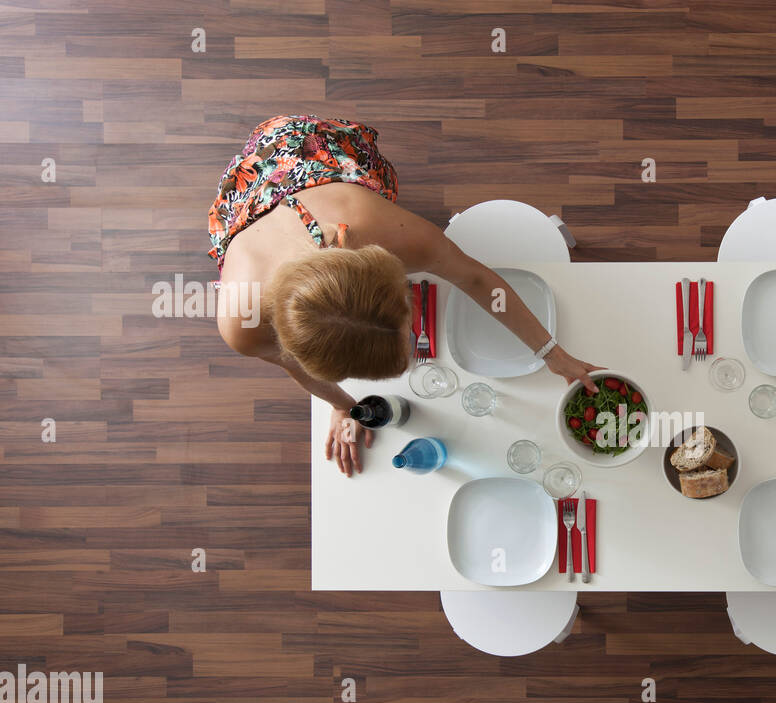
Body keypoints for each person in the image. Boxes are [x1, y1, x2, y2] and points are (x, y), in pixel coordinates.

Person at [208, 115, 603, 476]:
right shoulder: (242, 326)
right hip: (253, 208)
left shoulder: (372, 225)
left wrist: (552, 352)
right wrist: (342, 405)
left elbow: (476, 279)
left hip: (302, 152)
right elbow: (293, 367)